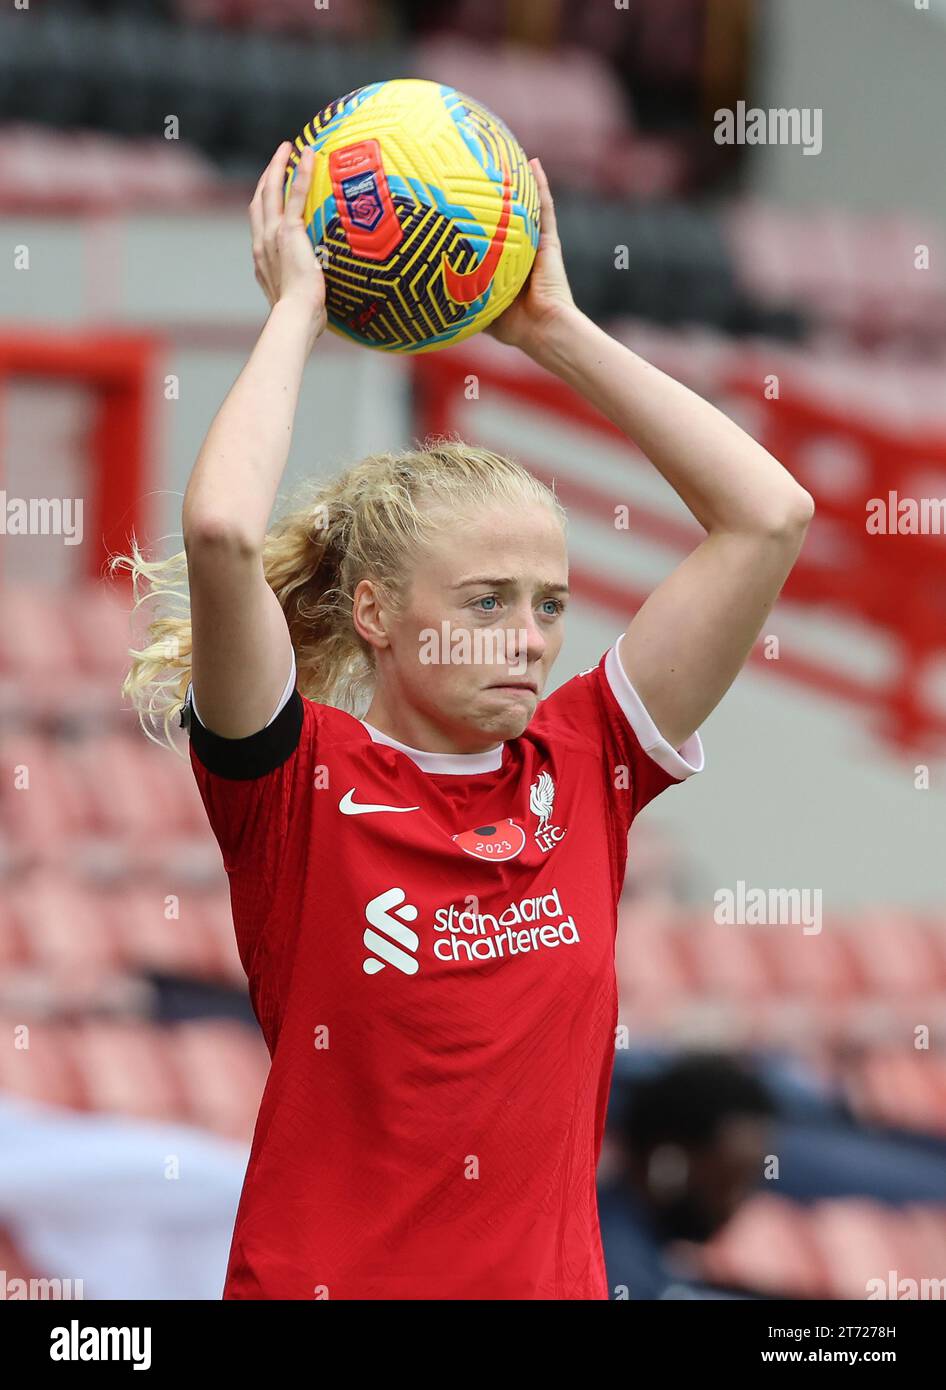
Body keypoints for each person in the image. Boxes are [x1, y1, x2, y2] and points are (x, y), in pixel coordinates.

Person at [113, 141, 813, 1299]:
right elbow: (227, 534)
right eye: (485, 600)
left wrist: (553, 333)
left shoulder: (589, 760)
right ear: (377, 612)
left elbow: (768, 516)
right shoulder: (295, 784)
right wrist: (298, 310)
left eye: (548, 605)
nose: (528, 638)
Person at [598, 1052, 778, 1299]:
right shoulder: (610, 1261)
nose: (736, 1203)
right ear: (669, 1161)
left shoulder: (643, 1251)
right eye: (729, 1181)